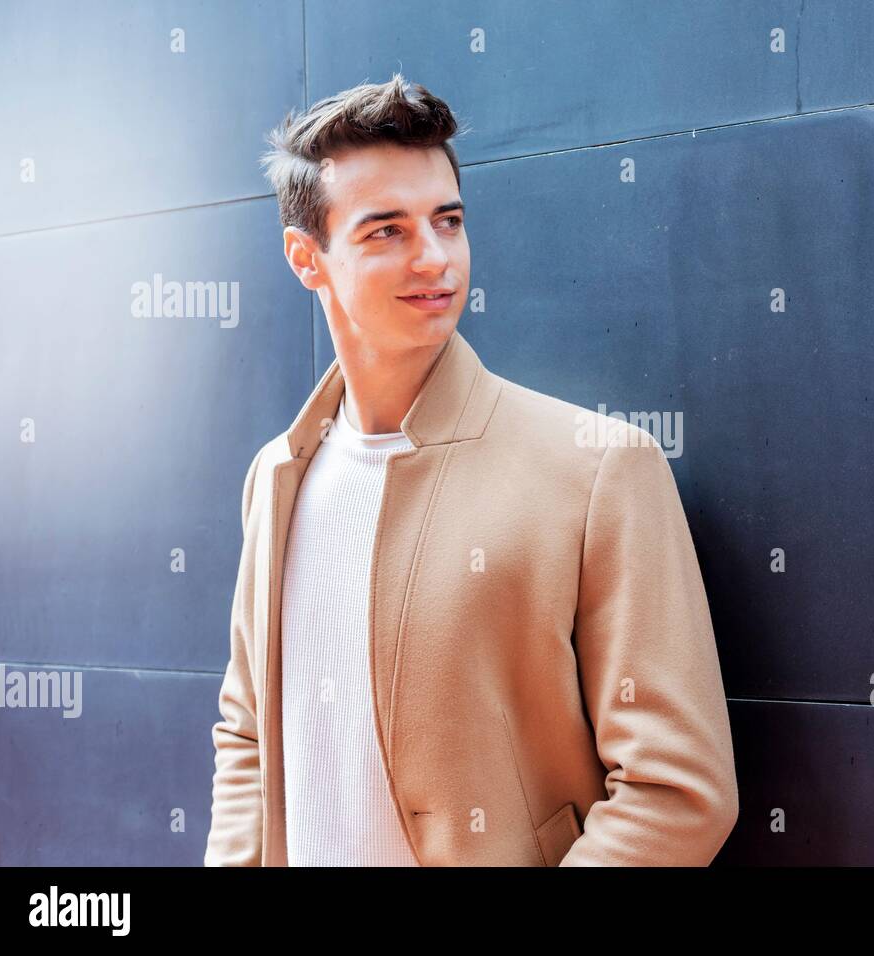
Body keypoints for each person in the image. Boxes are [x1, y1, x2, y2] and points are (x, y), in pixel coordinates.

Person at [203, 73, 739, 866]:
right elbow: (248, 734)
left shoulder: (598, 471)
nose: (434, 257)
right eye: (385, 231)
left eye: (446, 221)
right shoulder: (277, 476)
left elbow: (678, 790)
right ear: (305, 258)